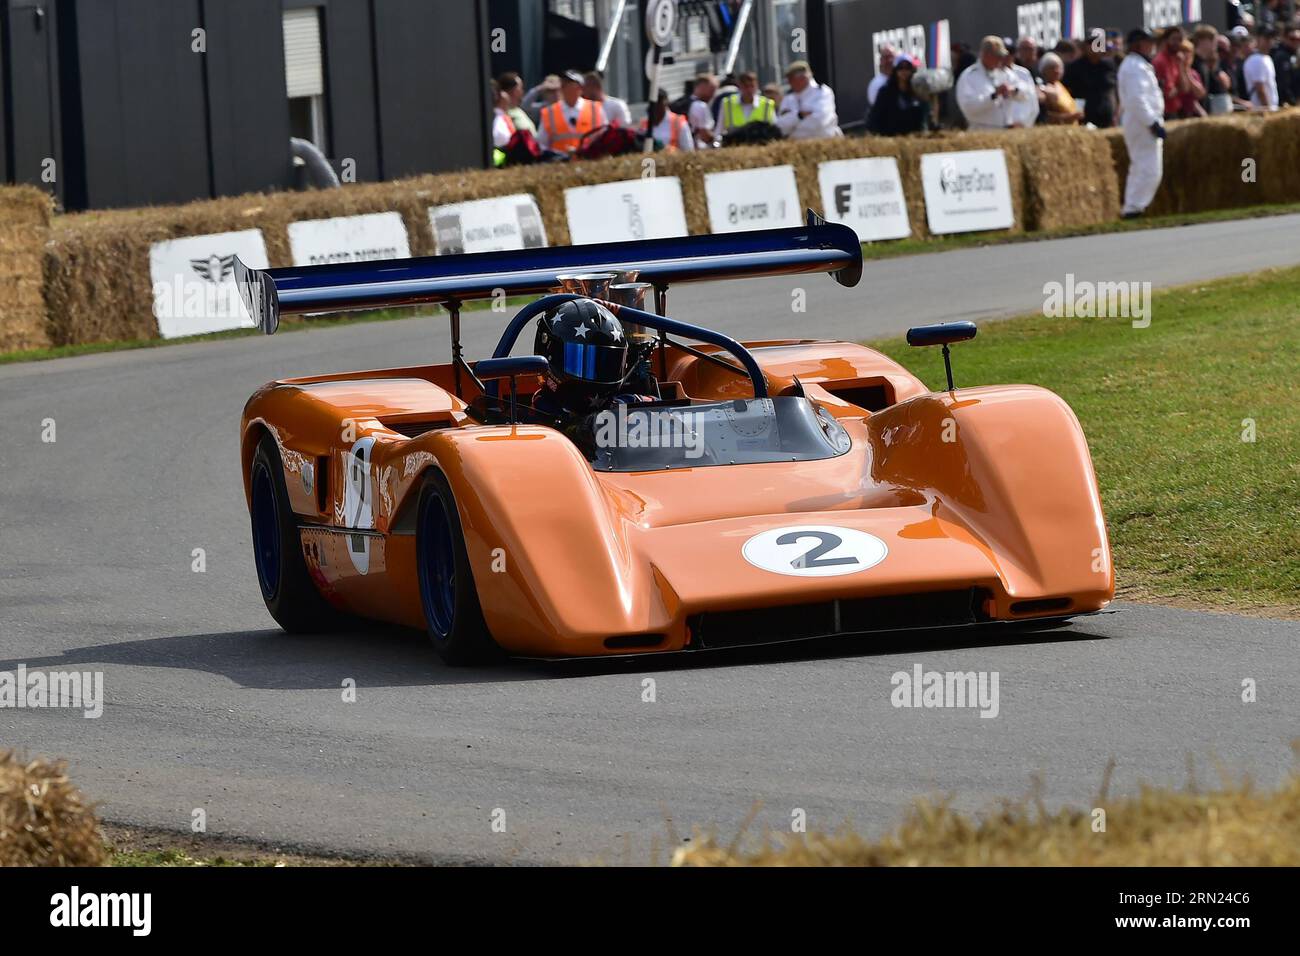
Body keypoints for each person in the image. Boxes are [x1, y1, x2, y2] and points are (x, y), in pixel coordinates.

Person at [1118, 28, 1166, 219]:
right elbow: (1137, 99)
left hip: (1142, 121)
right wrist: (1152, 123)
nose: (1152, 45)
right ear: (1138, 44)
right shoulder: (1134, 67)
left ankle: (1134, 207)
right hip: (1141, 123)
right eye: (1149, 42)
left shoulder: (1138, 65)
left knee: (1143, 167)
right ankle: (1133, 208)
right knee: (1148, 169)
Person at [956, 36, 1034, 129]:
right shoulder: (969, 76)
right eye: (997, 56)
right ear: (986, 55)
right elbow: (968, 107)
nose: (1001, 59)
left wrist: (1014, 90)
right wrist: (993, 96)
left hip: (1006, 129)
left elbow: (1028, 93)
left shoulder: (1005, 73)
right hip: (982, 130)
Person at [537, 70, 607, 154]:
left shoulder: (595, 108)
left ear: (580, 88)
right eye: (563, 83)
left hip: (589, 160)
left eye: (570, 83)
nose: (565, 86)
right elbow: (541, 143)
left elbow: (604, 136)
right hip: (559, 163)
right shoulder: (549, 112)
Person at [1064, 29, 1119, 127]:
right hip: (1084, 120)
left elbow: (1115, 90)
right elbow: (1066, 92)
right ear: (1085, 46)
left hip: (1107, 119)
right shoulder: (1074, 67)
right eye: (1092, 43)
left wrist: (1116, 114)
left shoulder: (1110, 65)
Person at [776, 60, 842, 139]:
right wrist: (799, 116)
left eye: (791, 79)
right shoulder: (788, 98)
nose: (790, 82)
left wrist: (793, 128)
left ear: (804, 78)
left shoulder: (823, 93)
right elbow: (781, 127)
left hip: (825, 143)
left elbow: (819, 122)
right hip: (795, 147)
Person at [866, 55, 928, 135]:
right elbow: (876, 117)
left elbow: (924, 118)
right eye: (900, 68)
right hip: (891, 137)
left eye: (907, 68)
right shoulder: (885, 92)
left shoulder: (917, 92)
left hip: (913, 137)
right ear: (895, 70)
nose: (904, 71)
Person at [1153, 26, 1205, 118]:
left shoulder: (1176, 60)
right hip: (1164, 112)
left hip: (1174, 111)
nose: (1177, 43)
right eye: (1173, 39)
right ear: (1166, 40)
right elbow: (1168, 93)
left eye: (1180, 39)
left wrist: (1182, 67)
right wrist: (1179, 87)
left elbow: (1185, 88)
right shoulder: (1160, 61)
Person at [719, 71, 778, 136]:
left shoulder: (767, 104)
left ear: (757, 86)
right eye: (746, 86)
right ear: (739, 86)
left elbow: (774, 129)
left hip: (760, 144)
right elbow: (719, 130)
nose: (749, 90)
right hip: (735, 143)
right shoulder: (727, 103)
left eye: (752, 86)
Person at [1192, 25, 1234, 114]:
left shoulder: (1205, 62)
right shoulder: (1192, 61)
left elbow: (1225, 84)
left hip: (1207, 110)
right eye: (1211, 40)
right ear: (1201, 40)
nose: (1215, 44)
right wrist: (1200, 111)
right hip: (1196, 113)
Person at [1038, 53, 1084, 123]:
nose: (1056, 71)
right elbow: (1045, 116)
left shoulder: (1060, 86)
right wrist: (1068, 117)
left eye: (1058, 67)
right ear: (1044, 69)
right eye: (1052, 67)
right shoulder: (1042, 89)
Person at [1004, 45, 1042, 126]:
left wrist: (1026, 124)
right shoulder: (993, 74)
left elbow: (1033, 102)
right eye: (1004, 54)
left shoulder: (1024, 73)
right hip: (1001, 126)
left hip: (1022, 126)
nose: (1007, 56)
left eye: (1011, 53)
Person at [1244, 27, 1280, 109]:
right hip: (1261, 111)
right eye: (1266, 38)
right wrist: (1268, 110)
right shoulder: (1256, 60)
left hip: (1270, 109)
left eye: (1272, 38)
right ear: (1257, 38)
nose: (1270, 41)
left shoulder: (1267, 58)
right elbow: (1260, 90)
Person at [685, 73, 718, 147]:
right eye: (711, 90)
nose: (713, 95)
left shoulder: (682, 102)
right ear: (701, 87)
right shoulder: (700, 106)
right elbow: (704, 134)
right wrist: (716, 143)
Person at [867, 44, 897, 108]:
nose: (889, 60)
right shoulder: (876, 84)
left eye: (892, 56)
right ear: (881, 60)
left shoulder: (902, 81)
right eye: (886, 57)